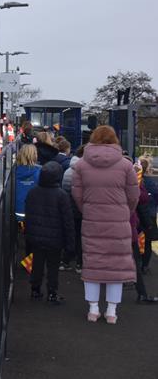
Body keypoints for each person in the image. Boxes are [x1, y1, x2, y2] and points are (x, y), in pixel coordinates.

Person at [72, 126, 139, 324]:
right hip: (118, 220)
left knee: (93, 263)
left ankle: (93, 309)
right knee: (115, 266)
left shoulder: (82, 165)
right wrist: (126, 211)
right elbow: (133, 195)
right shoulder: (126, 165)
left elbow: (77, 194)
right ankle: (111, 311)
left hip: (92, 219)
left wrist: (88, 210)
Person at [25, 161, 75, 303]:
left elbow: (29, 215)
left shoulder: (33, 192)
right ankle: (52, 292)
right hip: (55, 238)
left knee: (37, 264)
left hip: (37, 237)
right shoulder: (62, 195)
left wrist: (29, 234)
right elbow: (68, 220)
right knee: (53, 266)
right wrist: (70, 243)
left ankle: (35, 289)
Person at [132, 159, 158, 303]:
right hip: (141, 219)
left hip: (134, 220)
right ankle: (144, 266)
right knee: (144, 243)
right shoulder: (144, 184)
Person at [60, 145, 85, 272]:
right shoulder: (83, 173)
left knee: (70, 236)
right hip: (81, 211)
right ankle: (80, 263)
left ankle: (66, 261)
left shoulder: (68, 170)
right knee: (81, 238)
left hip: (69, 209)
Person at [15, 144, 41, 220]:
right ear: (35, 155)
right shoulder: (40, 171)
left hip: (16, 211)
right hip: (34, 212)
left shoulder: (14, 171)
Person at [141, 156, 158, 273]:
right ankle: (145, 265)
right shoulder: (152, 183)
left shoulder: (135, 181)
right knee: (147, 241)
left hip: (136, 214)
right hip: (150, 215)